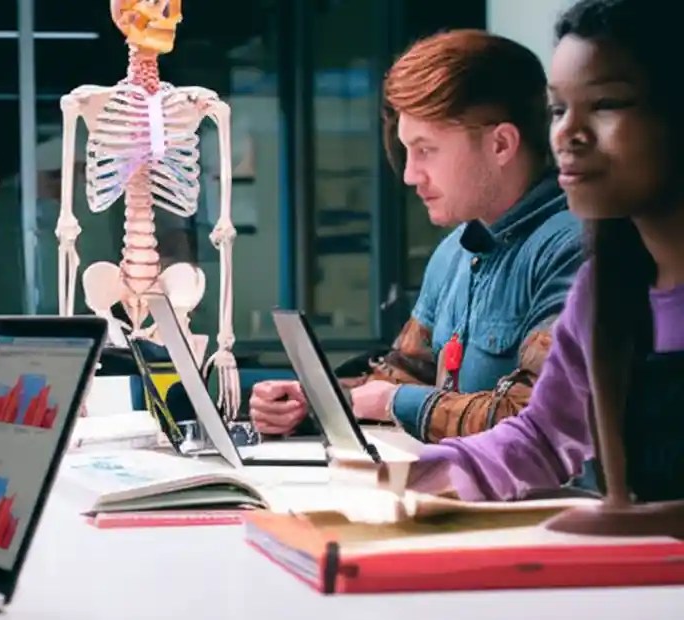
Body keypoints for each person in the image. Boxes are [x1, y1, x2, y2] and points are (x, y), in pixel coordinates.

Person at [412, 0, 684, 515]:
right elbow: (543, 436)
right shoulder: (604, 289)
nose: (568, 134)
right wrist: (418, 474)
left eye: (606, 105)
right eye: (559, 110)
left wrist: (620, 529)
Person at [249, 30, 584, 444]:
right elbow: (406, 371)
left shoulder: (574, 247)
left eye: (426, 150)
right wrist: (315, 402)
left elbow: (539, 416)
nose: (409, 175)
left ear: (501, 144)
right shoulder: (454, 252)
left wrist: (394, 402)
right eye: (407, 151)